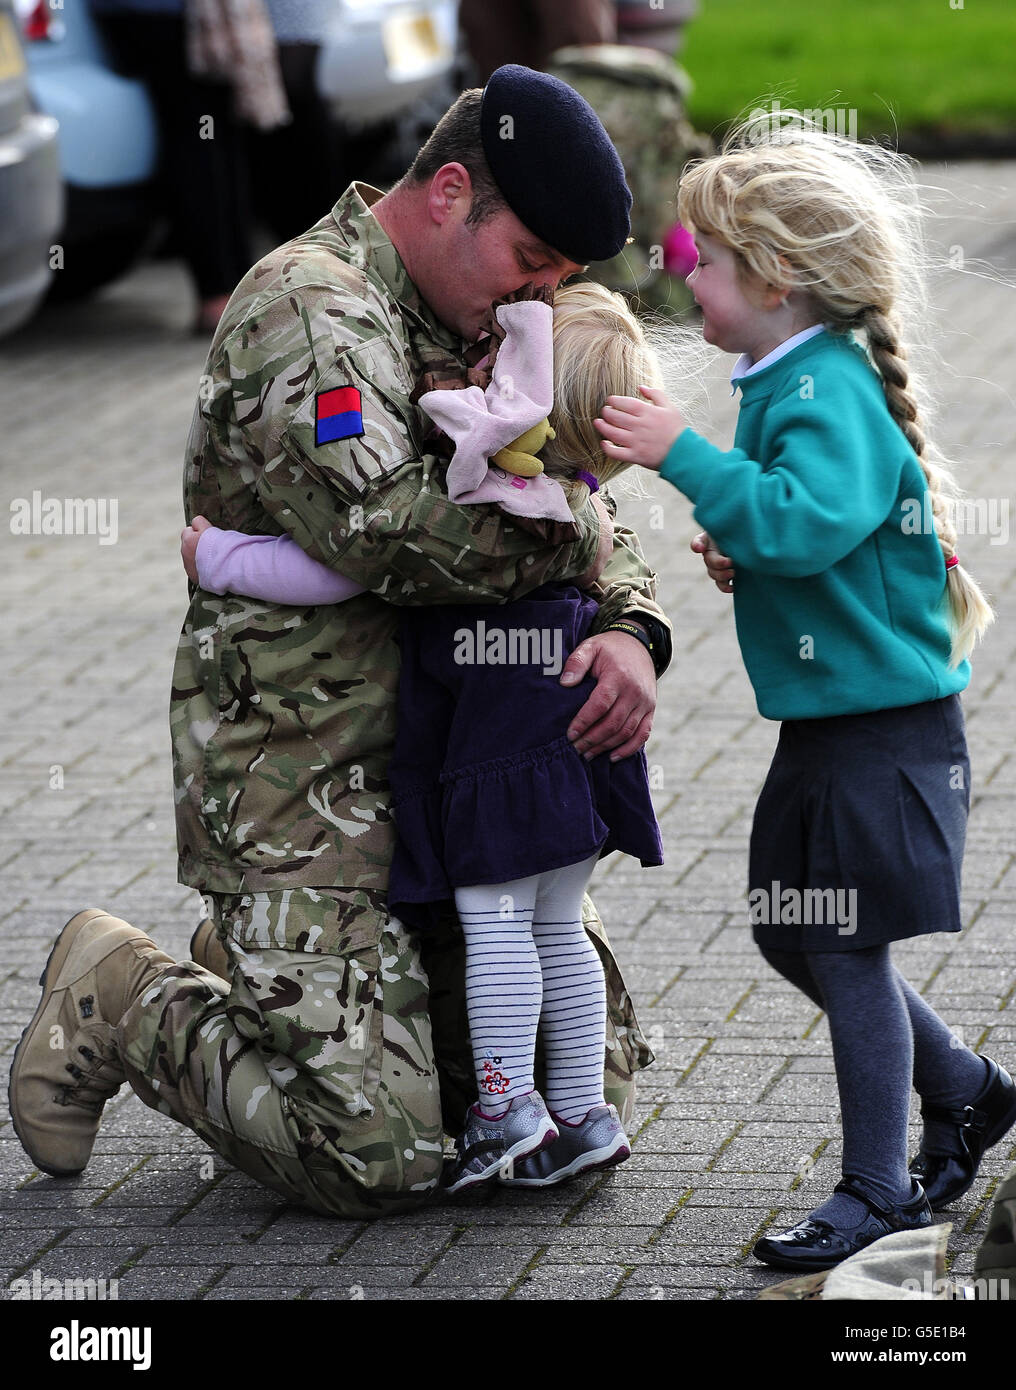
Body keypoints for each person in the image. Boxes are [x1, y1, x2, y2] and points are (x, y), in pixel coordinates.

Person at [9, 67, 671, 1219]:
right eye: (530, 262)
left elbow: (576, 473)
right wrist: (579, 535)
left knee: (580, 1090)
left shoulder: (482, 312)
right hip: (313, 785)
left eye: (560, 282)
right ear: (449, 191)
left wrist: (630, 627)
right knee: (370, 1153)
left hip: (457, 774)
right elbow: (392, 534)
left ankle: (284, 974)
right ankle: (123, 991)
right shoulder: (308, 311)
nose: (539, 299)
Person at [593, 113, 1015, 1271]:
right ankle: (966, 1087)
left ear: (774, 278)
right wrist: (747, 544)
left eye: (703, 259)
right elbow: (804, 529)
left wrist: (683, 456)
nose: (683, 274)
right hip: (829, 726)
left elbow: (804, 520)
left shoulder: (823, 384)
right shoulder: (787, 374)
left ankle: (877, 1188)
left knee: (841, 947)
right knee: (794, 930)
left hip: (878, 732)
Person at [179, 280, 667, 1191]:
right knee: (556, 925)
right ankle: (581, 1115)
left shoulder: (486, 490)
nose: (482, 361)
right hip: (566, 746)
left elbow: (339, 568)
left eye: (504, 354)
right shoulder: (579, 499)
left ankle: (504, 1108)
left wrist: (219, 557)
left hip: (498, 755)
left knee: (495, 926)